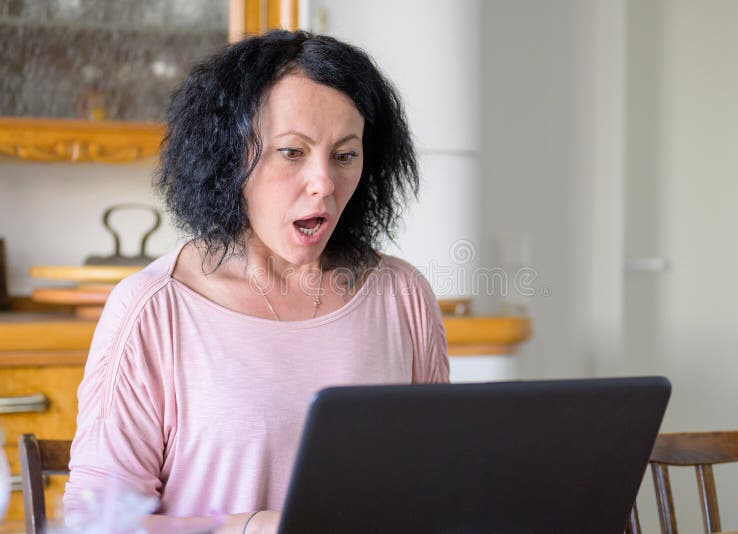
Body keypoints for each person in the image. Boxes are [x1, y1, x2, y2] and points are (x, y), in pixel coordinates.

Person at [64, 29, 449, 533]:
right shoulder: (153, 309)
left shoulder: (403, 297)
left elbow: (439, 493)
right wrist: (249, 528)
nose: (324, 184)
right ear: (230, 156)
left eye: (344, 155)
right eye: (292, 152)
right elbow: (94, 525)